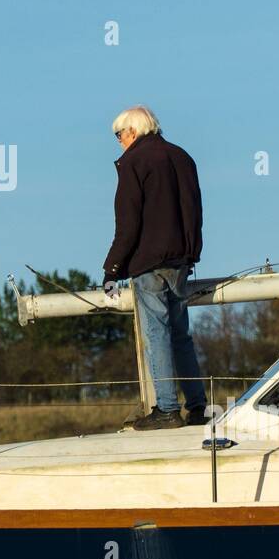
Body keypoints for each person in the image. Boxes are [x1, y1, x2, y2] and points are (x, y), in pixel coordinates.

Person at [102, 105, 206, 430]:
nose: (118, 141)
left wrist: (112, 268)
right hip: (180, 260)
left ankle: (167, 408)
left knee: (156, 332)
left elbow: (128, 222)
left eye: (119, 135)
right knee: (180, 334)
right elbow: (194, 210)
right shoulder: (182, 157)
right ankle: (198, 404)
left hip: (149, 263)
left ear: (132, 131)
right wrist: (191, 254)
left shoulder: (134, 162)